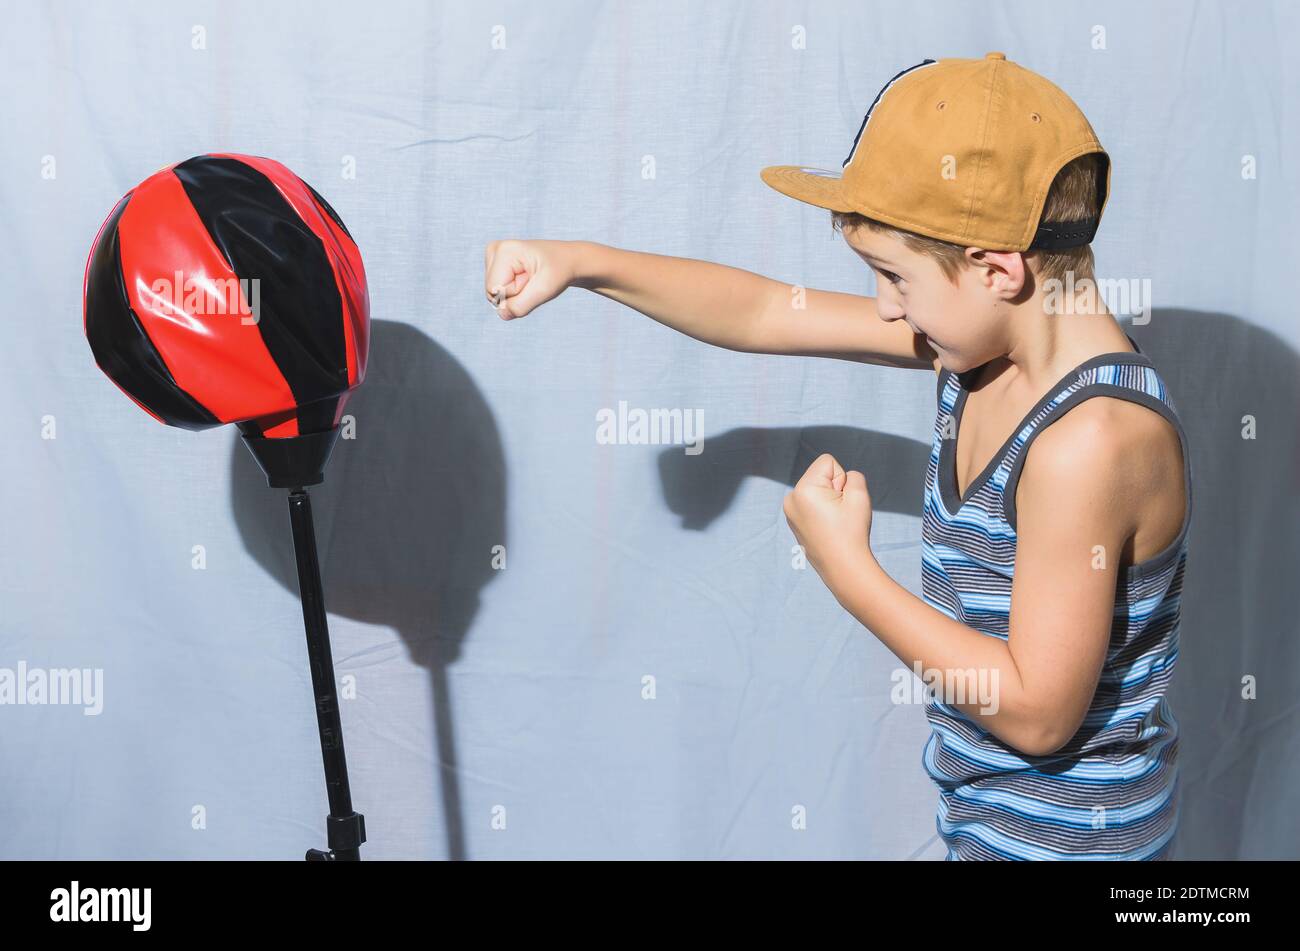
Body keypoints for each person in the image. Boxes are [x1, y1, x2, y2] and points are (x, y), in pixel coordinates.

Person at [483, 53, 1192, 860]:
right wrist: (580, 263)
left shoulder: (1088, 441)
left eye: (893, 277)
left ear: (998, 268)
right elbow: (761, 313)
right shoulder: (984, 347)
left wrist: (845, 566)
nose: (888, 308)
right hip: (986, 829)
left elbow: (1037, 711)